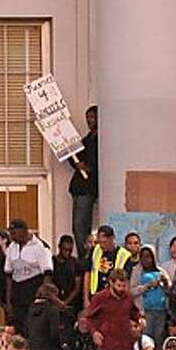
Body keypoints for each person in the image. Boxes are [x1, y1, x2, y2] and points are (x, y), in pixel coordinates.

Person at [4, 220, 52, 332]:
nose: (12, 236)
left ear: (23, 231)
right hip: (17, 289)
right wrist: (8, 300)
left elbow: (48, 273)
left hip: (33, 287)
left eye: (14, 233)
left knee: (32, 325)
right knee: (17, 325)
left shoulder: (40, 246)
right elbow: (8, 274)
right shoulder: (11, 247)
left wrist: (43, 293)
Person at [68, 107, 99, 257]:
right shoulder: (87, 140)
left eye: (92, 117)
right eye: (88, 118)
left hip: (87, 189)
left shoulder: (100, 141)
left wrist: (87, 167)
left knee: (80, 226)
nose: (89, 121)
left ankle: (85, 256)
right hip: (79, 188)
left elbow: (97, 163)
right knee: (77, 227)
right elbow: (75, 156)